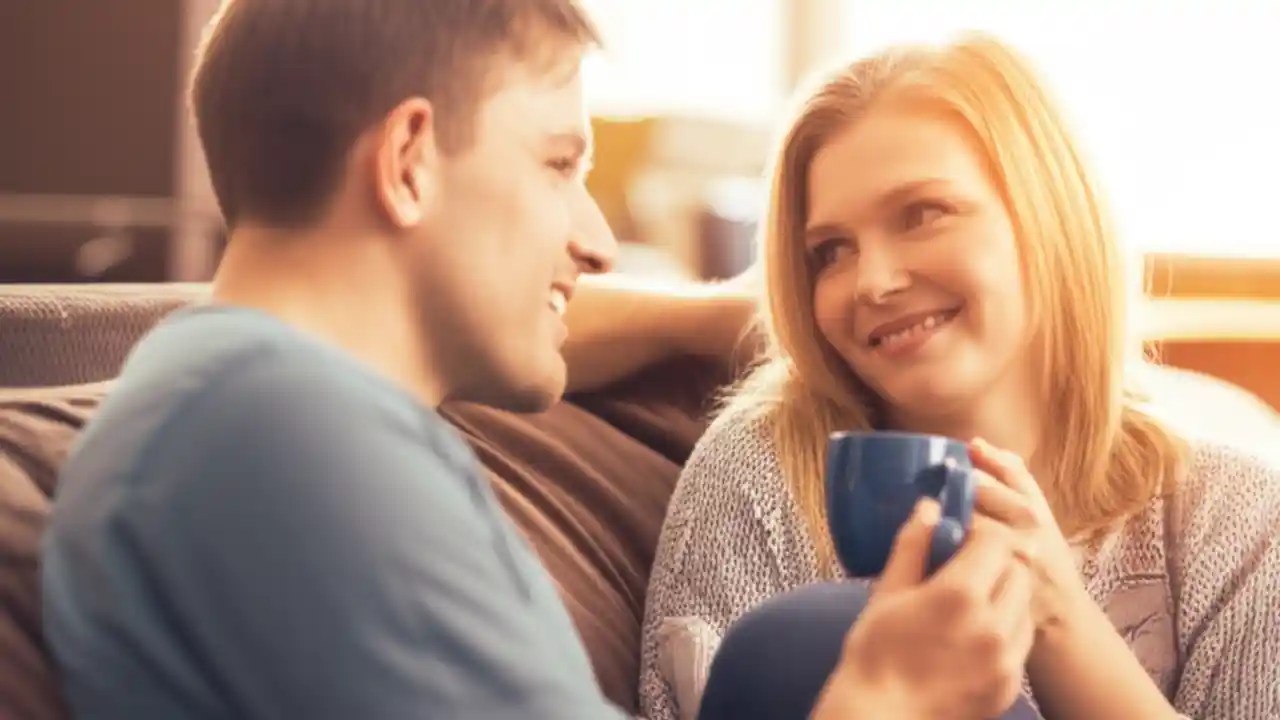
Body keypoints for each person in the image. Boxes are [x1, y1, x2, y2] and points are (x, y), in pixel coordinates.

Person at [40, 3, 1043, 719]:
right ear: (407, 162)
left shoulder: (240, 399)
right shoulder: (280, 431)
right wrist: (887, 698)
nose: (596, 237)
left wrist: (701, 321)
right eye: (560, 164)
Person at [641, 33, 1280, 720]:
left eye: (922, 214)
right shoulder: (760, 475)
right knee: (807, 641)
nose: (873, 283)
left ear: (1048, 214)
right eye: (831, 251)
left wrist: (1059, 620)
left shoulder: (1239, 519)